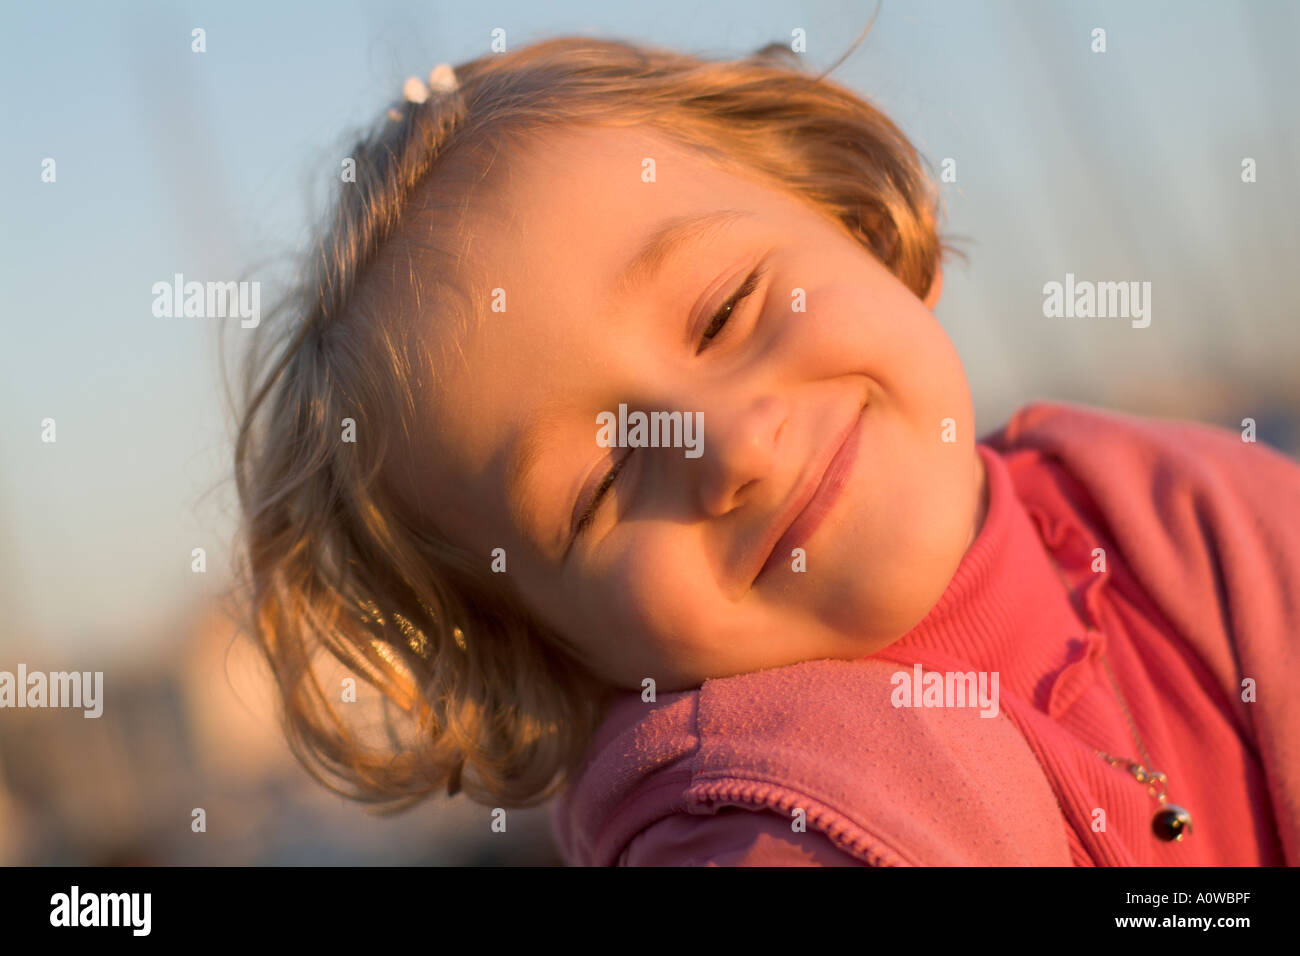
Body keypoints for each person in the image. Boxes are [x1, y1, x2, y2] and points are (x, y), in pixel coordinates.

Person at [230, 36, 1299, 866]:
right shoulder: (745, 817)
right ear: (556, 655)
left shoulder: (1192, 521)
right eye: (600, 483)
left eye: (726, 310)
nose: (730, 442)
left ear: (849, 214)